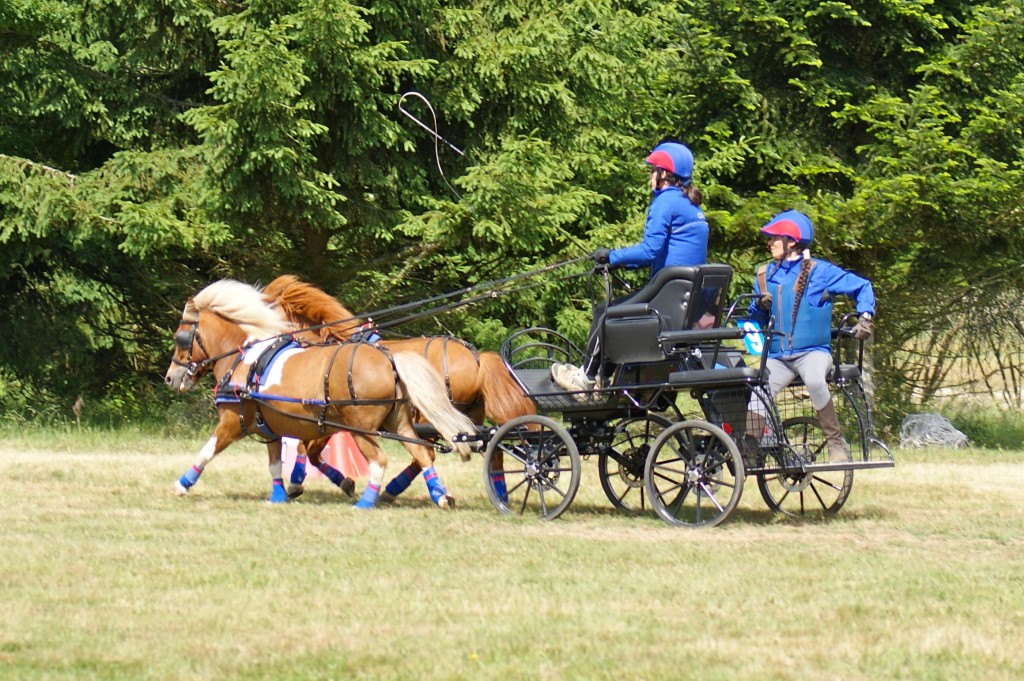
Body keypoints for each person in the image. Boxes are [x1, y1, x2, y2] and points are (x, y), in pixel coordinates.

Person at [551, 141, 709, 392]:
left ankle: (586, 379)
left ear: (664, 174)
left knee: (605, 312)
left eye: (652, 170)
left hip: (668, 293)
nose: (650, 175)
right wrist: (624, 264)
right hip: (681, 294)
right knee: (615, 310)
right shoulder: (689, 204)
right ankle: (601, 378)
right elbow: (664, 252)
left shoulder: (665, 202)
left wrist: (611, 256)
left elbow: (650, 249)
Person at [745, 210, 875, 463]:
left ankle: (836, 445)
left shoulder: (821, 272)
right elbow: (756, 322)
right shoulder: (763, 275)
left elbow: (862, 286)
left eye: (774, 238)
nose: (769, 243)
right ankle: (748, 450)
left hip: (814, 352)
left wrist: (865, 317)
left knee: (815, 381)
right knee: (758, 391)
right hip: (778, 357)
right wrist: (759, 307)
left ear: (791, 242)